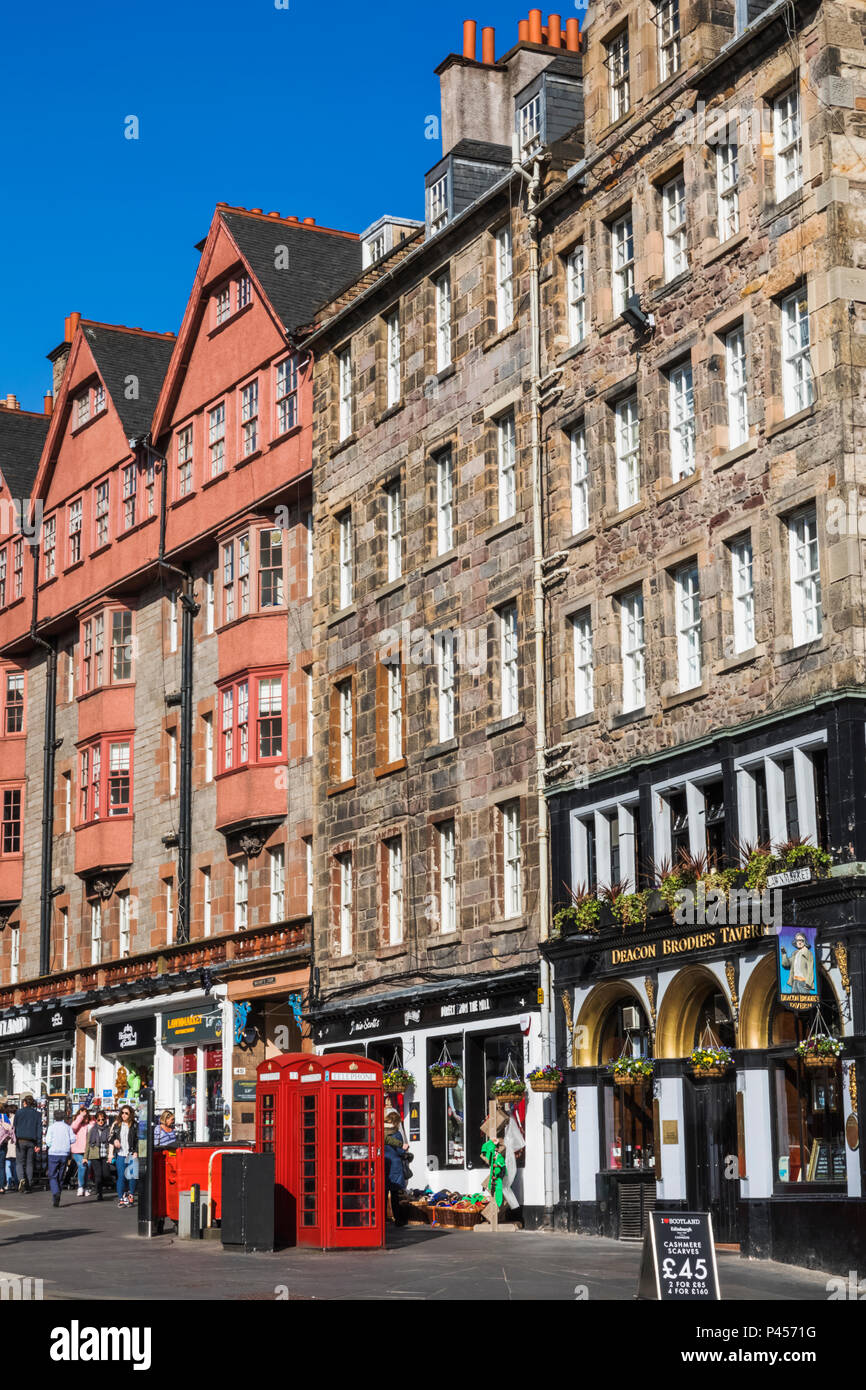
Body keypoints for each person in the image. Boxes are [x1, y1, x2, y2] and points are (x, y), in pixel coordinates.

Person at [109, 1104, 138, 1208]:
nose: (124, 1115)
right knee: (121, 1177)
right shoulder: (117, 1125)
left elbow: (139, 1140)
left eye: (126, 1113)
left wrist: (136, 1151)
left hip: (131, 1154)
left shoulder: (135, 1125)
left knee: (132, 1177)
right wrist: (115, 1140)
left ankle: (131, 1195)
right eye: (122, 1112)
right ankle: (121, 1197)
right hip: (120, 1154)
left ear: (130, 1115)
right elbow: (110, 1138)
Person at [45, 1110, 75, 1209]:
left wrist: (52, 1145)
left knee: (53, 1174)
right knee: (61, 1175)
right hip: (64, 1153)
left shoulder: (51, 1127)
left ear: (54, 1117)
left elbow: (48, 1141)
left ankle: (55, 1192)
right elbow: (73, 1139)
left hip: (53, 1152)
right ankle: (58, 1193)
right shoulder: (67, 1127)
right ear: (63, 1117)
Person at [383, 1107, 408, 1227]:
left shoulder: (380, 1133)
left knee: (382, 1194)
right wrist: (405, 1151)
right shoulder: (397, 1135)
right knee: (394, 1195)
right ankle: (398, 1219)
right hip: (395, 1167)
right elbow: (400, 1151)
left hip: (383, 1165)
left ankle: (382, 1219)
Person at [12, 1095, 41, 1193]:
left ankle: (21, 1179)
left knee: (19, 1162)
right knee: (29, 1163)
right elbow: (39, 1130)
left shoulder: (19, 1112)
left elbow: (14, 1126)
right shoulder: (37, 1114)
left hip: (20, 1140)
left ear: (24, 1102)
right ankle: (29, 1183)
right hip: (32, 1142)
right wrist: (39, 1144)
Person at [85, 1110, 111, 1201]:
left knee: (106, 1174)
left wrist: (111, 1154)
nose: (101, 1121)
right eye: (99, 1120)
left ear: (105, 1120)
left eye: (102, 1119)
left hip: (105, 1155)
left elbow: (111, 1142)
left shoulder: (108, 1129)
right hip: (94, 1155)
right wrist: (85, 1157)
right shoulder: (92, 1130)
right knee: (98, 1175)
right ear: (96, 1120)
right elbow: (88, 1144)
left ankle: (103, 1186)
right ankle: (99, 1193)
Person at [70, 1106, 94, 1196]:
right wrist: (80, 1116)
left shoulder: (90, 1125)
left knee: (88, 1168)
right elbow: (73, 1127)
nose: (86, 1118)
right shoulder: (77, 1124)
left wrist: (91, 1120)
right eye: (84, 1117)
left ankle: (86, 1187)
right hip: (77, 1150)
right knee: (82, 1167)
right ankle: (81, 1187)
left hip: (89, 1151)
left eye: (86, 1116)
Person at [0, 1106, 16, 1193]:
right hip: (3, 1144)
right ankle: (1, 1187)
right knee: (1, 1166)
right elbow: (10, 1130)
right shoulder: (4, 1117)